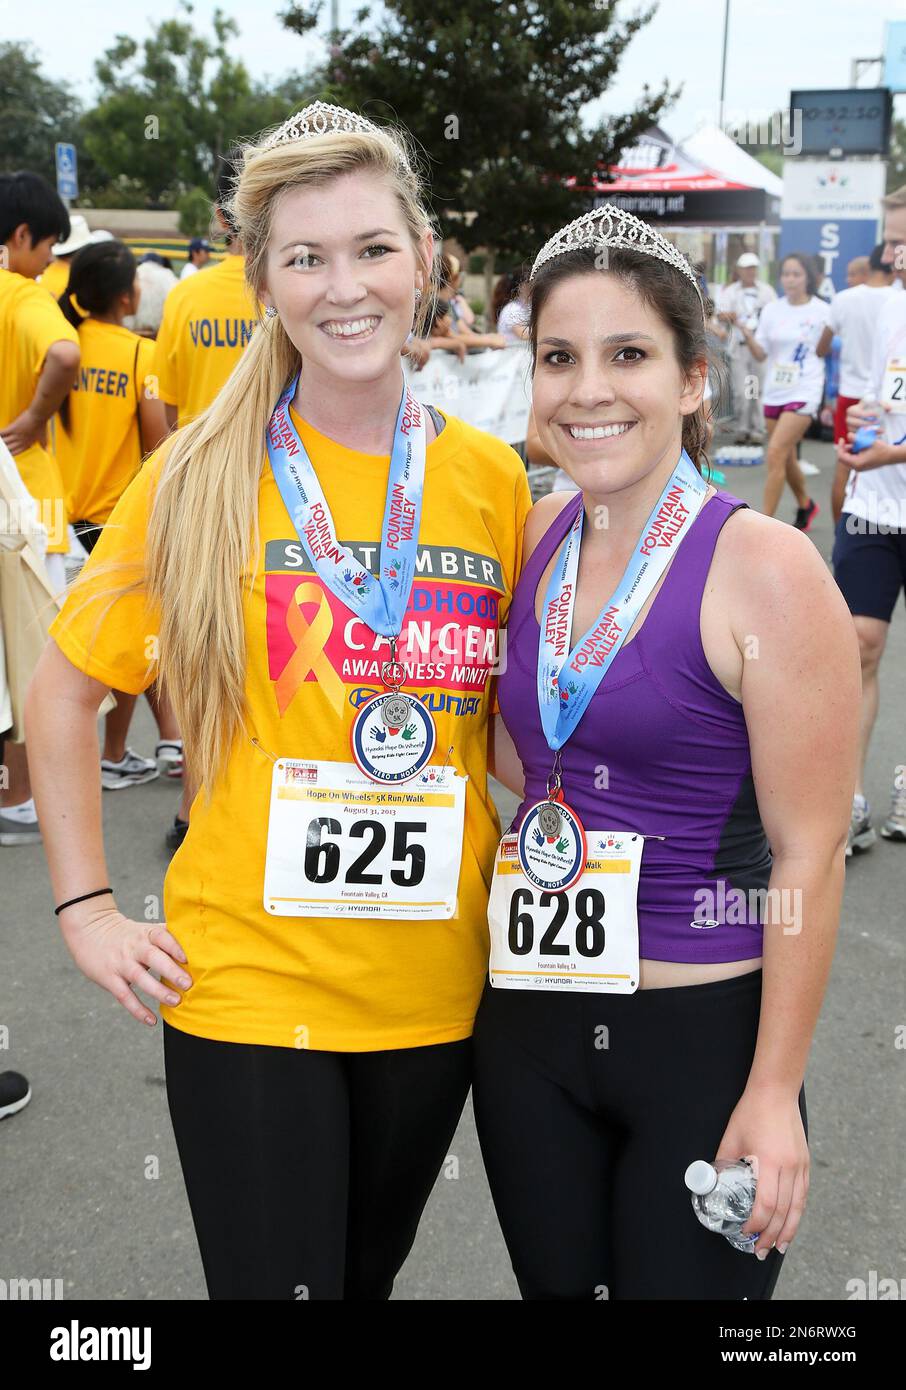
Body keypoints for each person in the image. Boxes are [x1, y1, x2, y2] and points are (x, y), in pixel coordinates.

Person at [25, 100, 532, 1301]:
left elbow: (514, 729)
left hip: (434, 989)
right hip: (248, 982)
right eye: (306, 257)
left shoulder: (490, 478)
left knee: (360, 1281)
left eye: (373, 248)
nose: (343, 287)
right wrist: (88, 909)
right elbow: (59, 695)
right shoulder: (197, 475)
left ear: (425, 260)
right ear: (262, 280)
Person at [471, 202, 860, 1300]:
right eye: (559, 357)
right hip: (528, 1027)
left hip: (701, 1037)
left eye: (628, 355)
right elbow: (527, 749)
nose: (587, 389)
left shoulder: (767, 567)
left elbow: (809, 852)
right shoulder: (536, 533)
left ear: (693, 380)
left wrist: (775, 1088)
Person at [54, 238, 171, 789]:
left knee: (65, 653)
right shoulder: (138, 354)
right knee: (124, 637)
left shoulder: (59, 342)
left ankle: (161, 739)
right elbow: (157, 446)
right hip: (111, 523)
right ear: (127, 297)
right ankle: (115, 752)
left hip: (55, 522)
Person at [0, 171, 80, 846]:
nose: (50, 261)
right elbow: (63, 351)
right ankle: (19, 797)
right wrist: (33, 417)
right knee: (31, 652)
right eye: (50, 246)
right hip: (26, 499)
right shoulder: (21, 294)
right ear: (22, 235)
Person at [832, 184, 906, 853]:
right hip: (874, 506)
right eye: (891, 240)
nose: (893, 254)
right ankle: (850, 797)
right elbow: (884, 396)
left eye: (905, 241)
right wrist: (865, 419)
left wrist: (896, 450)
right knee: (858, 643)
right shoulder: (887, 307)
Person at [734, 252, 832, 527]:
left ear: (808, 278)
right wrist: (747, 335)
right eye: (786, 274)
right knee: (786, 456)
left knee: (776, 452)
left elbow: (824, 351)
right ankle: (805, 505)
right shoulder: (772, 310)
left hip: (805, 388)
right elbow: (761, 354)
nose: (790, 279)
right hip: (775, 389)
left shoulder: (823, 311)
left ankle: (762, 526)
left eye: (796, 274)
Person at [817, 245, 896, 524]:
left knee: (845, 466)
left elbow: (821, 347)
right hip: (890, 399)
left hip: (851, 397)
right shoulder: (898, 299)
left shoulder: (843, 300)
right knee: (892, 468)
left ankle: (841, 535)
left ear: (868, 269)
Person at [715, 252, 776, 445]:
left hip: (759, 348)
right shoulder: (730, 291)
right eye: (747, 268)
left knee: (757, 390)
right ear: (740, 270)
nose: (751, 272)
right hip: (739, 348)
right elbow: (719, 314)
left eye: (753, 268)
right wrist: (730, 316)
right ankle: (742, 428)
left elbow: (775, 315)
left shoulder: (767, 291)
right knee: (742, 391)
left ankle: (757, 429)